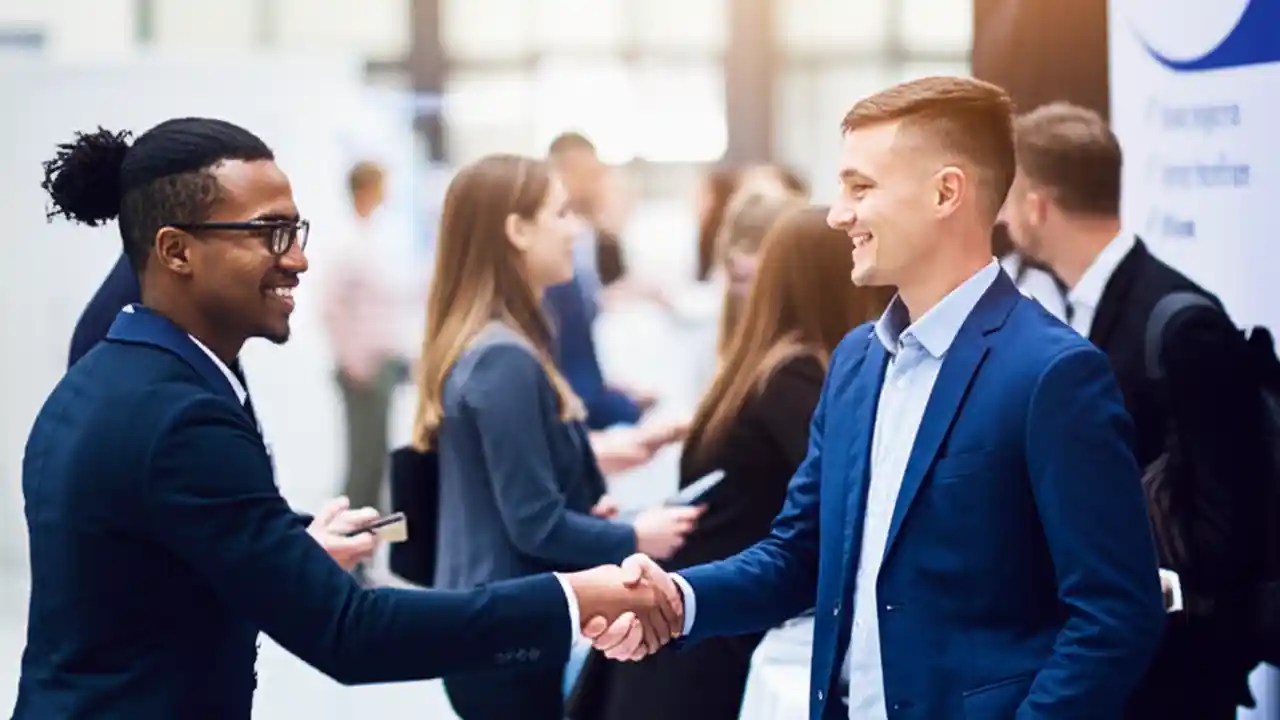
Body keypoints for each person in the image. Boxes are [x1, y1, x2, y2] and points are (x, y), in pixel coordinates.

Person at [16, 119, 674, 719]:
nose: (297, 259)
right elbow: (352, 633)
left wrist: (289, 552)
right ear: (177, 251)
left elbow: (161, 563)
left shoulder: (114, 380)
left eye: (295, 233)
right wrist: (571, 599)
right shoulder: (179, 416)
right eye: (269, 234)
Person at [592, 77, 1167, 719]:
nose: (839, 213)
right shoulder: (857, 360)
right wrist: (675, 598)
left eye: (860, 188)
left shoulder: (1053, 374)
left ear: (946, 192)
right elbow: (800, 552)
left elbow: (1116, 614)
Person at [411, 153, 704, 720]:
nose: (575, 229)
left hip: (490, 626)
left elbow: (513, 492)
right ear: (517, 230)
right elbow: (533, 520)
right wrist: (636, 536)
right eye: (561, 212)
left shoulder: (498, 346)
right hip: (502, 635)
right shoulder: (503, 358)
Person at [999, 102, 1266, 719]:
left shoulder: (1181, 323)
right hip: (1112, 662)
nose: (1005, 217)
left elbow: (1225, 534)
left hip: (1173, 677)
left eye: (1011, 200)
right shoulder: (1074, 309)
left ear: (1038, 205)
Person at [578, 207, 894, 720]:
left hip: (701, 620)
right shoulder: (794, 375)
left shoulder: (766, 363)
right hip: (710, 639)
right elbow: (854, 493)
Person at [322, 161, 410, 518]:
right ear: (366, 189)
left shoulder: (375, 238)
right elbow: (330, 307)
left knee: (376, 464)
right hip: (363, 370)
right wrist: (352, 360)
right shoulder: (347, 243)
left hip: (383, 364)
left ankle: (366, 553)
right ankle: (344, 553)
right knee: (364, 466)